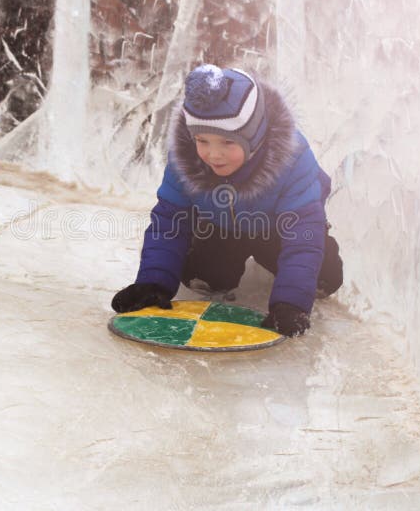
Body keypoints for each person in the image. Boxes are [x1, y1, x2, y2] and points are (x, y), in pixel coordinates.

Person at [111, 65, 343, 336]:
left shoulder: (292, 155)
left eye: (227, 143)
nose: (213, 154)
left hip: (278, 228)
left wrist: (291, 305)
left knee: (326, 277)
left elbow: (303, 233)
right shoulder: (186, 157)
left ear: (253, 137)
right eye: (202, 140)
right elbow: (170, 221)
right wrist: (154, 283)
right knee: (208, 277)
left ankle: (284, 273)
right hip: (218, 227)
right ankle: (217, 264)